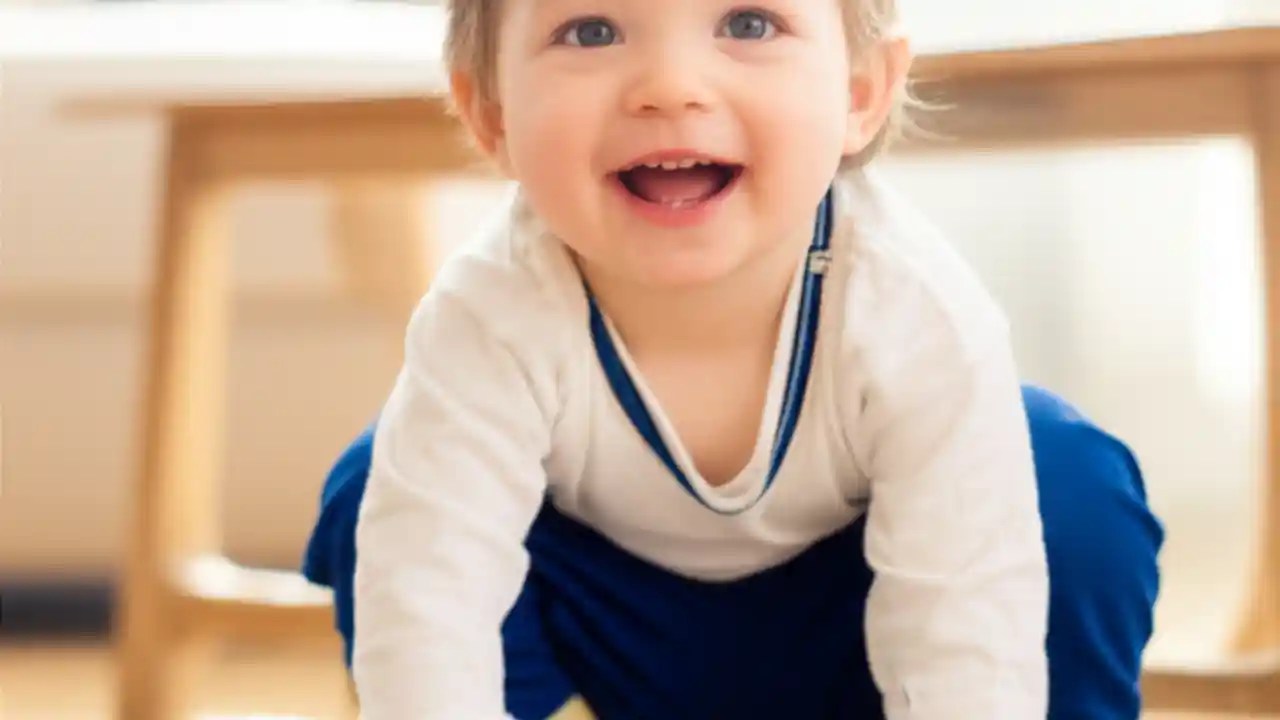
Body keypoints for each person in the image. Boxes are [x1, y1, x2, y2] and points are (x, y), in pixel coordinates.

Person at [303, 0, 1165, 717]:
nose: (670, 88)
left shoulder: (915, 312)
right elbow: (429, 614)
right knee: (384, 482)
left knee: (1066, 483)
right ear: (491, 115)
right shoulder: (487, 316)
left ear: (860, 92)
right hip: (618, 638)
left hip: (856, 638)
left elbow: (967, 628)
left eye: (748, 24)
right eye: (592, 32)